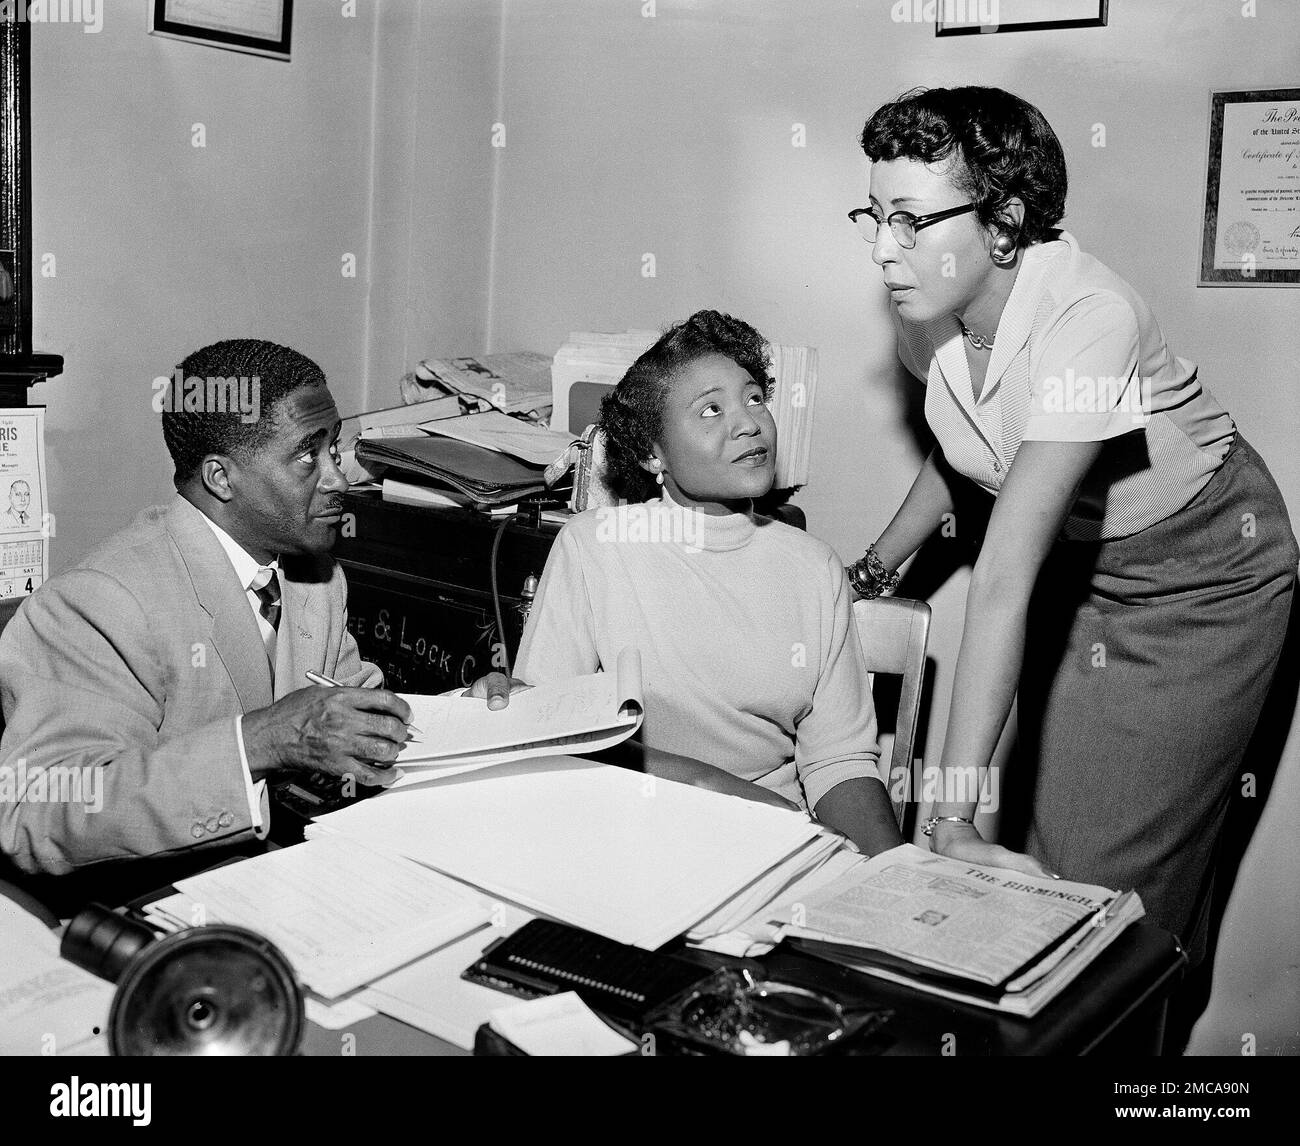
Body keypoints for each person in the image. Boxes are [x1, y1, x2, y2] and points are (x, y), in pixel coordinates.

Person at [846, 86, 1298, 963]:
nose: (881, 251)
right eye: (873, 215)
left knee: (1107, 885)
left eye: (909, 221)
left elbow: (1005, 570)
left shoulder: (1094, 320)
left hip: (1206, 577)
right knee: (1051, 861)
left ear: (1006, 221)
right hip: (1082, 565)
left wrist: (946, 813)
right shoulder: (926, 314)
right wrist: (871, 570)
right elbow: (974, 449)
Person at [0, 338, 509, 877]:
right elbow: (34, 814)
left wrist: (469, 714)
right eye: (306, 456)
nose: (339, 478)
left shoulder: (315, 579)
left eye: (333, 448)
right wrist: (262, 740)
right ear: (222, 478)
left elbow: (350, 712)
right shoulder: (100, 602)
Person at [515, 310, 901, 855]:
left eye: (755, 399)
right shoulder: (594, 548)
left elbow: (839, 762)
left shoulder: (813, 568)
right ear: (654, 452)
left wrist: (890, 873)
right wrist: (731, 797)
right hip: (628, 835)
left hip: (775, 844)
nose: (749, 423)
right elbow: (550, 735)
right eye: (711, 409)